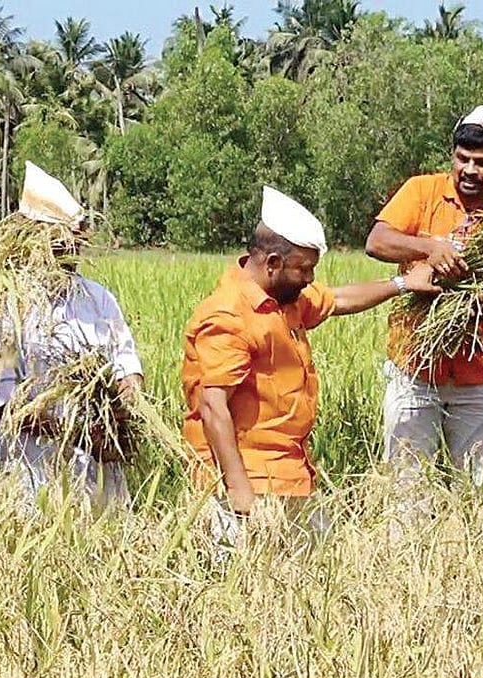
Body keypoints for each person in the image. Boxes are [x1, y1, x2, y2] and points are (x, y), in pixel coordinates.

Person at [182, 186, 440, 545]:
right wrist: (239, 491)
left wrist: (402, 283)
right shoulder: (228, 315)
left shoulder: (285, 300)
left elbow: (338, 299)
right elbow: (213, 408)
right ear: (272, 263)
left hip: (291, 474)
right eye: (304, 269)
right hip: (248, 482)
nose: (310, 279)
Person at [0, 161, 144, 506]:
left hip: (96, 469)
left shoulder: (98, 298)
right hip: (27, 472)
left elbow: (126, 365)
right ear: (32, 238)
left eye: (76, 239)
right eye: (60, 240)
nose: (72, 250)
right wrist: (82, 434)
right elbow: (4, 405)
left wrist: (122, 414)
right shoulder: (1, 307)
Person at [364, 105, 483, 487]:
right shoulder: (422, 191)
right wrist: (429, 249)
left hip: (480, 372)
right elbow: (378, 242)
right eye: (462, 159)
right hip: (414, 367)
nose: (470, 171)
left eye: (482, 163)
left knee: (476, 489)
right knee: (406, 487)